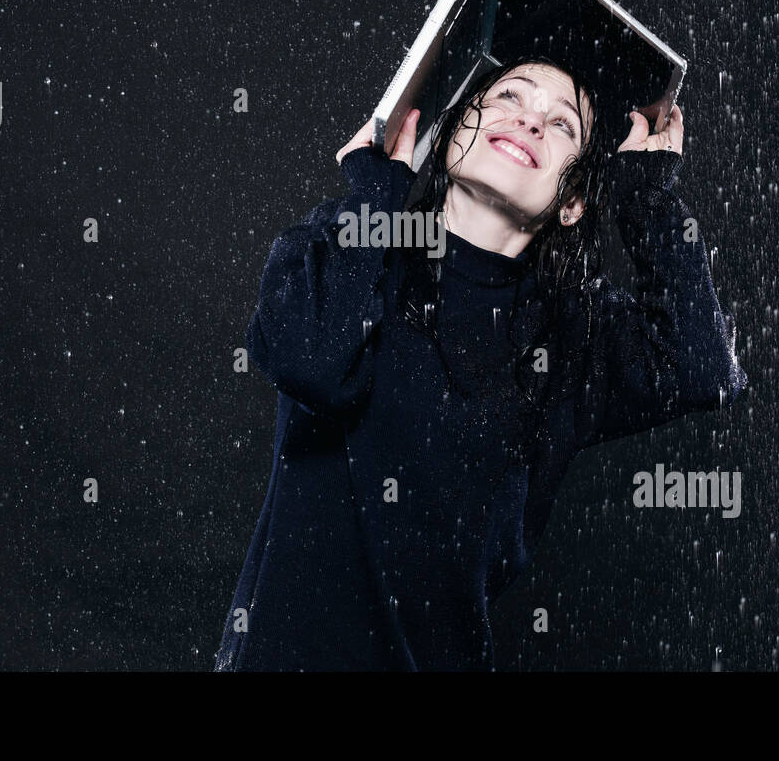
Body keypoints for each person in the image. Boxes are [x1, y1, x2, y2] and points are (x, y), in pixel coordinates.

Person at [214, 53, 748, 670]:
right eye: (508, 98)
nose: (529, 122)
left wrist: (646, 196)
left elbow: (703, 368)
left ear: (572, 199)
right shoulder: (351, 256)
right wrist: (375, 196)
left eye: (562, 125)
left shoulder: (575, 337)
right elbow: (309, 364)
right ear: (447, 137)